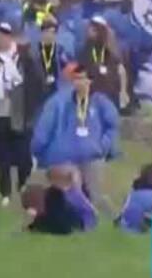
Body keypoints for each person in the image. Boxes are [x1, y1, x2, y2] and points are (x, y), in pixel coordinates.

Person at [0, 23, 43, 206]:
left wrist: (31, 111)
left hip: (20, 112)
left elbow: (37, 85)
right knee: (0, 157)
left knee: (23, 156)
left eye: (2, 36)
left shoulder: (25, 59)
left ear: (10, 37)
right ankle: (5, 192)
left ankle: (22, 186)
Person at [32, 66, 120, 211]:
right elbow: (44, 128)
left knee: (95, 196)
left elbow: (113, 126)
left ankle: (110, 219)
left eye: (83, 78)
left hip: (92, 156)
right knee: (71, 193)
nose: (79, 82)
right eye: (76, 79)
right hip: (63, 157)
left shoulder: (101, 102)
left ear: (90, 81)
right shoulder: (57, 103)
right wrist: (38, 151)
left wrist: (104, 146)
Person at [23, 165, 96, 234]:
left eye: (51, 181)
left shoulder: (73, 194)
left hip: (76, 221)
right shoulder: (55, 192)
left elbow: (88, 211)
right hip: (68, 220)